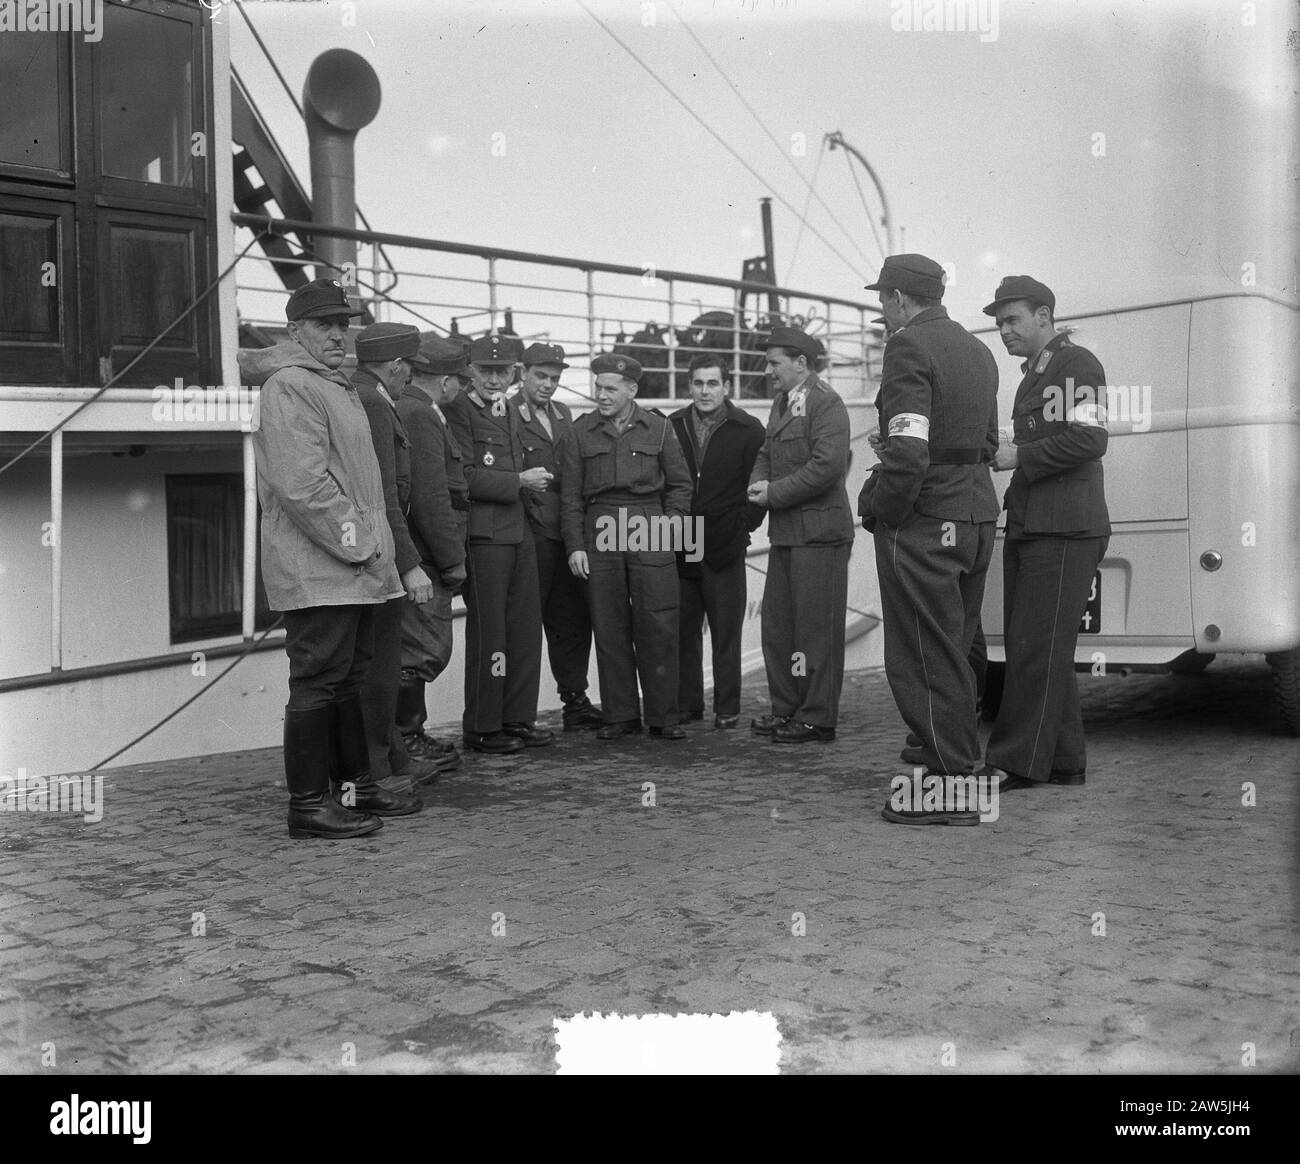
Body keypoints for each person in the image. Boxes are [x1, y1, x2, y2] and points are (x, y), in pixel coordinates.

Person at [242, 277, 420, 839]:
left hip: (350, 571)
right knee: (319, 680)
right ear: (295, 330)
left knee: (347, 678)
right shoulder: (292, 385)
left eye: (344, 324)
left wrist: (369, 555)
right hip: (322, 568)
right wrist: (362, 546)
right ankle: (308, 805)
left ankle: (354, 789)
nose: (339, 334)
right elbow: (304, 487)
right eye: (325, 325)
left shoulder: (330, 383)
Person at [859, 253, 1000, 825]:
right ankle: (949, 756)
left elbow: (911, 450)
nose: (882, 312)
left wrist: (879, 508)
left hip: (924, 518)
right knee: (958, 644)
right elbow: (988, 442)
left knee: (922, 651)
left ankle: (951, 784)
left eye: (882, 301)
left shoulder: (908, 346)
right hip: (975, 513)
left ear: (898, 298)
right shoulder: (978, 349)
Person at [981, 276, 1110, 791]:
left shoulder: (1074, 365)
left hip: (1064, 528)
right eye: (998, 323)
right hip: (1038, 523)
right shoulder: (1037, 372)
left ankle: (1016, 762)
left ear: (1044, 316)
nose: (1004, 330)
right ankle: (1063, 761)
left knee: (1034, 647)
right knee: (1041, 645)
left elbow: (1090, 438)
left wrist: (1021, 456)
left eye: (1012, 320)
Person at [560, 353, 693, 740]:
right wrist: (575, 546)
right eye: (598, 387)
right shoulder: (579, 431)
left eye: (610, 389)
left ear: (631, 390)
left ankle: (664, 717)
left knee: (658, 623)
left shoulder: (659, 428)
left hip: (648, 524)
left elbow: (681, 485)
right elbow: (569, 496)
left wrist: (673, 523)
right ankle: (620, 715)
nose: (601, 395)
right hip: (599, 527)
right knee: (608, 623)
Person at [443, 333, 553, 754]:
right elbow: (463, 477)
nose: (494, 379)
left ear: (515, 373)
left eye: (502, 371)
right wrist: (518, 482)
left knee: (525, 630)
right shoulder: (457, 411)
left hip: (518, 530)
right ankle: (484, 726)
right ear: (469, 369)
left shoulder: (507, 407)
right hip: (485, 536)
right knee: (491, 634)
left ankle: (518, 717)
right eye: (486, 371)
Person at [746, 325, 854, 744]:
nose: (768, 370)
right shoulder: (782, 402)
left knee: (816, 632)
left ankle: (817, 717)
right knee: (781, 629)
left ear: (801, 363)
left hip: (821, 536)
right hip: (789, 535)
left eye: (774, 362)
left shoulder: (827, 404)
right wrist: (759, 481)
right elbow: (765, 454)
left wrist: (772, 492)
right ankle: (786, 707)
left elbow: (826, 467)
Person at [351, 321, 443, 792]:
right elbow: (386, 494)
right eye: (408, 366)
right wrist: (408, 563)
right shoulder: (373, 402)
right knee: (379, 667)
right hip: (380, 552)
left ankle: (392, 756)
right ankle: (379, 769)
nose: (410, 375)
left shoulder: (373, 397)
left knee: (382, 665)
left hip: (377, 547)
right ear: (395, 364)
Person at [509, 343, 603, 731]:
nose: (549, 385)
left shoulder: (563, 414)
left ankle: (574, 699)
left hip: (566, 534)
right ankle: (519, 714)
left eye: (555, 378)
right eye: (541, 377)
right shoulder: (509, 415)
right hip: (532, 536)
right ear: (523, 373)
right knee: (527, 626)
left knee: (572, 620)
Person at [669, 354, 766, 728]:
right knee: (683, 630)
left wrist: (742, 528)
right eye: (698, 383)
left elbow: (756, 486)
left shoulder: (748, 429)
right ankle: (687, 705)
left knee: (726, 632)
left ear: (726, 387)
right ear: (689, 386)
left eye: (712, 383)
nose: (704, 391)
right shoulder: (672, 425)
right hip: (682, 541)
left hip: (725, 543)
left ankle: (727, 709)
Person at [393, 333, 472, 776]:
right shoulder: (421, 414)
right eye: (459, 380)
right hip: (427, 555)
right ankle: (408, 738)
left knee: (418, 646)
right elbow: (431, 498)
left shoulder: (411, 407)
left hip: (419, 552)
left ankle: (409, 734)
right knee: (423, 647)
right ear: (446, 381)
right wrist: (451, 559)